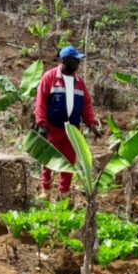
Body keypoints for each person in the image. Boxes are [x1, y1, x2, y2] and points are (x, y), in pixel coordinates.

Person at [34, 45, 101, 198]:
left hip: (72, 129)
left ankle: (64, 192)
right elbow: (41, 102)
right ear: (65, 60)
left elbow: (86, 105)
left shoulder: (79, 82)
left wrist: (91, 124)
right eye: (75, 60)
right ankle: (46, 189)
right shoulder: (50, 77)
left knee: (69, 162)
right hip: (53, 126)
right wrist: (42, 123)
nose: (78, 63)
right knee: (48, 159)